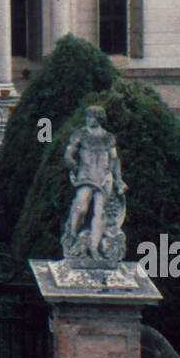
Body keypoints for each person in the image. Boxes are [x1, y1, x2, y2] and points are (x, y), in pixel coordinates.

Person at [62, 106, 127, 263]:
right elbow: (69, 154)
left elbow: (114, 159)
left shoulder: (108, 137)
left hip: (104, 177)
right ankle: (71, 235)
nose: (87, 119)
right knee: (80, 206)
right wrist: (73, 167)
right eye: (87, 116)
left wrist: (117, 178)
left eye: (90, 117)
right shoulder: (81, 134)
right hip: (86, 175)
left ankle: (94, 248)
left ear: (98, 119)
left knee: (100, 213)